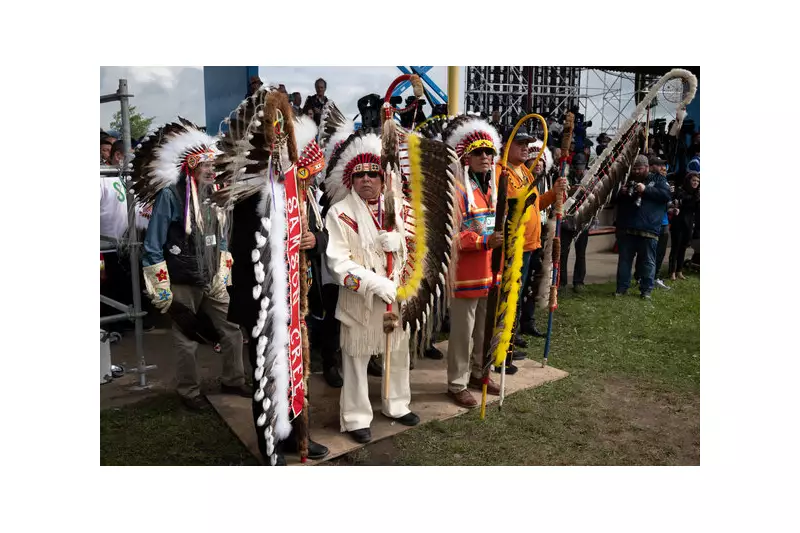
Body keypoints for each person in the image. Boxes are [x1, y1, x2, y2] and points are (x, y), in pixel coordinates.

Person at [219, 96, 330, 464]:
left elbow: (317, 230)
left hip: (299, 296)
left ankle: (299, 434)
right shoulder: (252, 193)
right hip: (262, 299)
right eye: (306, 171)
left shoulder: (302, 195)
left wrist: (315, 239)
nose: (311, 177)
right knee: (267, 370)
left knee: (297, 366)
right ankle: (270, 443)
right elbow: (245, 243)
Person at [132, 117, 248, 411]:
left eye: (213, 166)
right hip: (182, 279)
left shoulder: (216, 194)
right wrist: (161, 288)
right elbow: (153, 245)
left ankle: (233, 379)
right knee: (187, 340)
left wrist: (222, 269)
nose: (211, 170)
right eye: (205, 166)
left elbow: (222, 237)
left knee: (233, 329)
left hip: (212, 276)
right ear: (191, 168)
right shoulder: (171, 197)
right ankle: (189, 391)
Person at [323, 128, 419, 444]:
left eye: (373, 173)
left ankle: (396, 404)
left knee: (397, 352)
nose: (367, 179)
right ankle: (355, 418)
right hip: (360, 303)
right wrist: (373, 282)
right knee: (355, 358)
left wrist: (401, 244)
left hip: (394, 299)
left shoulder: (400, 209)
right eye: (360, 173)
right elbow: (337, 265)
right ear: (351, 178)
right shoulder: (339, 213)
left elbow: (417, 248)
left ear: (383, 177)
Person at [440, 116, 504, 407]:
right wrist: (482, 241)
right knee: (462, 333)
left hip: (490, 272)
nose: (485, 157)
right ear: (465, 157)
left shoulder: (492, 188)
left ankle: (480, 373)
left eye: (489, 151)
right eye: (478, 152)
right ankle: (457, 383)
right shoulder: (457, 191)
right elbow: (450, 237)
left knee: (484, 329)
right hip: (466, 274)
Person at [495, 129, 565, 373]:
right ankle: (498, 353)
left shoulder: (524, 171)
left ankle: (509, 346)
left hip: (528, 246)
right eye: (520, 143)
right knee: (505, 299)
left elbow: (536, 204)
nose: (525, 148)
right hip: (510, 247)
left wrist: (553, 192)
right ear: (507, 145)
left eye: (528, 144)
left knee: (515, 298)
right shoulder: (500, 172)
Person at [614, 155, 671, 299]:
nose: (636, 171)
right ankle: (621, 288)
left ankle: (646, 290)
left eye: (639, 168)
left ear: (647, 167)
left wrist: (645, 189)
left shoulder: (659, 179)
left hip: (649, 228)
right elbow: (617, 201)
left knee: (648, 262)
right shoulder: (629, 179)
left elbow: (666, 195)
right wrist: (622, 193)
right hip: (629, 227)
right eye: (634, 168)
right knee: (624, 260)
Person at [520, 140, 553, 337]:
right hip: (523, 240)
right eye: (533, 159)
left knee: (535, 281)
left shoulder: (545, 181)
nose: (538, 163)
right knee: (521, 284)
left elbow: (541, 205)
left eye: (541, 160)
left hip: (540, 237)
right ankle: (514, 328)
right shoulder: (521, 181)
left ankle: (528, 321)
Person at [559, 152, 590, 294]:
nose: (579, 170)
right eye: (577, 167)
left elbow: (595, 195)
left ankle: (578, 281)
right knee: (563, 252)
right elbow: (561, 195)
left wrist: (586, 192)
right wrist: (571, 190)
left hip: (582, 219)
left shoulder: (591, 177)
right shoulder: (565, 176)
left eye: (581, 167)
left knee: (581, 253)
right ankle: (562, 281)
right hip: (567, 219)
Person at [668, 171, 700, 280]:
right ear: (688, 181)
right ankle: (672, 271)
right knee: (675, 248)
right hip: (679, 222)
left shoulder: (696, 194)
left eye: (697, 181)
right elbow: (681, 201)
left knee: (683, 248)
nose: (696, 183)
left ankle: (679, 271)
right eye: (694, 180)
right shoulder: (681, 191)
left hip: (689, 224)